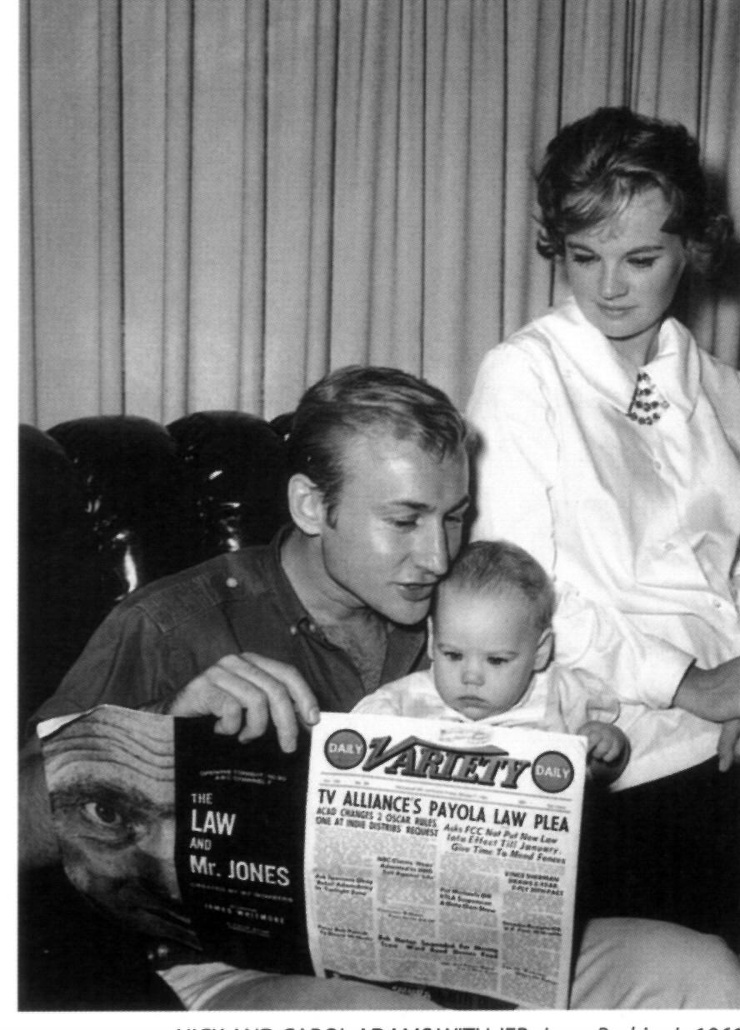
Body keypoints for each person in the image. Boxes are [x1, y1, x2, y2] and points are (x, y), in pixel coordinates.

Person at [20, 365, 740, 1008]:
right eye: (405, 520)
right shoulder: (171, 624)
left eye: (453, 518)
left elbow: (598, 678)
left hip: (470, 943)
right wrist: (156, 737)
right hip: (246, 968)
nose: (438, 557)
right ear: (312, 506)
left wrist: (713, 706)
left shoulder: (456, 616)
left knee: (698, 973)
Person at [467, 106, 740, 941]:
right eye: (584, 257)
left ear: (692, 249)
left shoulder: (724, 389)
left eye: (641, 258)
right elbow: (518, 597)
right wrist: (694, 686)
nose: (609, 287)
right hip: (617, 757)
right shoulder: (523, 376)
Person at [353, 539, 630, 783]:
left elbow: (597, 774)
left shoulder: (561, 693)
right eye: (453, 655)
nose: (471, 676)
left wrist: (606, 750)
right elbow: (354, 742)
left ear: (540, 652)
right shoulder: (403, 700)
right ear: (432, 640)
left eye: (496, 660)